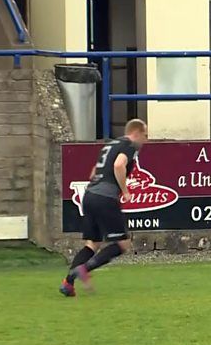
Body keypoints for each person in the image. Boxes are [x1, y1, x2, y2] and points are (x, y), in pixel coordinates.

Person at [60, 119, 149, 297]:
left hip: (90, 195)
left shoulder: (110, 144)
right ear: (136, 133)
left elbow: (94, 171)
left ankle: (68, 283)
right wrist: (125, 190)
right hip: (105, 197)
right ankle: (85, 268)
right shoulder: (130, 146)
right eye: (145, 135)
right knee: (123, 244)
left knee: (93, 243)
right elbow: (118, 165)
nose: (146, 140)